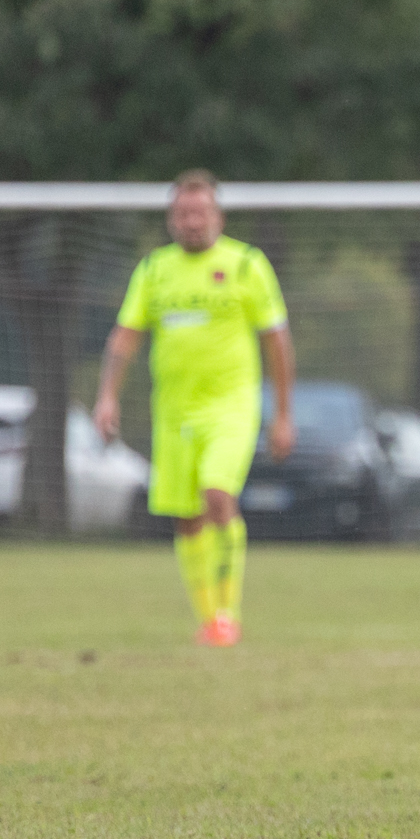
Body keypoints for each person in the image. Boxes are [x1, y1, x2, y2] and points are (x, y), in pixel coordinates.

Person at [95, 171, 295, 647]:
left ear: (218, 217)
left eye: (200, 212)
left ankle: (228, 614)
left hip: (232, 406)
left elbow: (277, 339)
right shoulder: (153, 270)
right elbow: (125, 336)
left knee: (217, 496)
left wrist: (283, 413)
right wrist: (107, 395)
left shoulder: (246, 265)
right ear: (170, 220)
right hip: (173, 414)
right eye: (183, 213)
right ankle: (209, 620)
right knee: (186, 517)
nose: (192, 222)